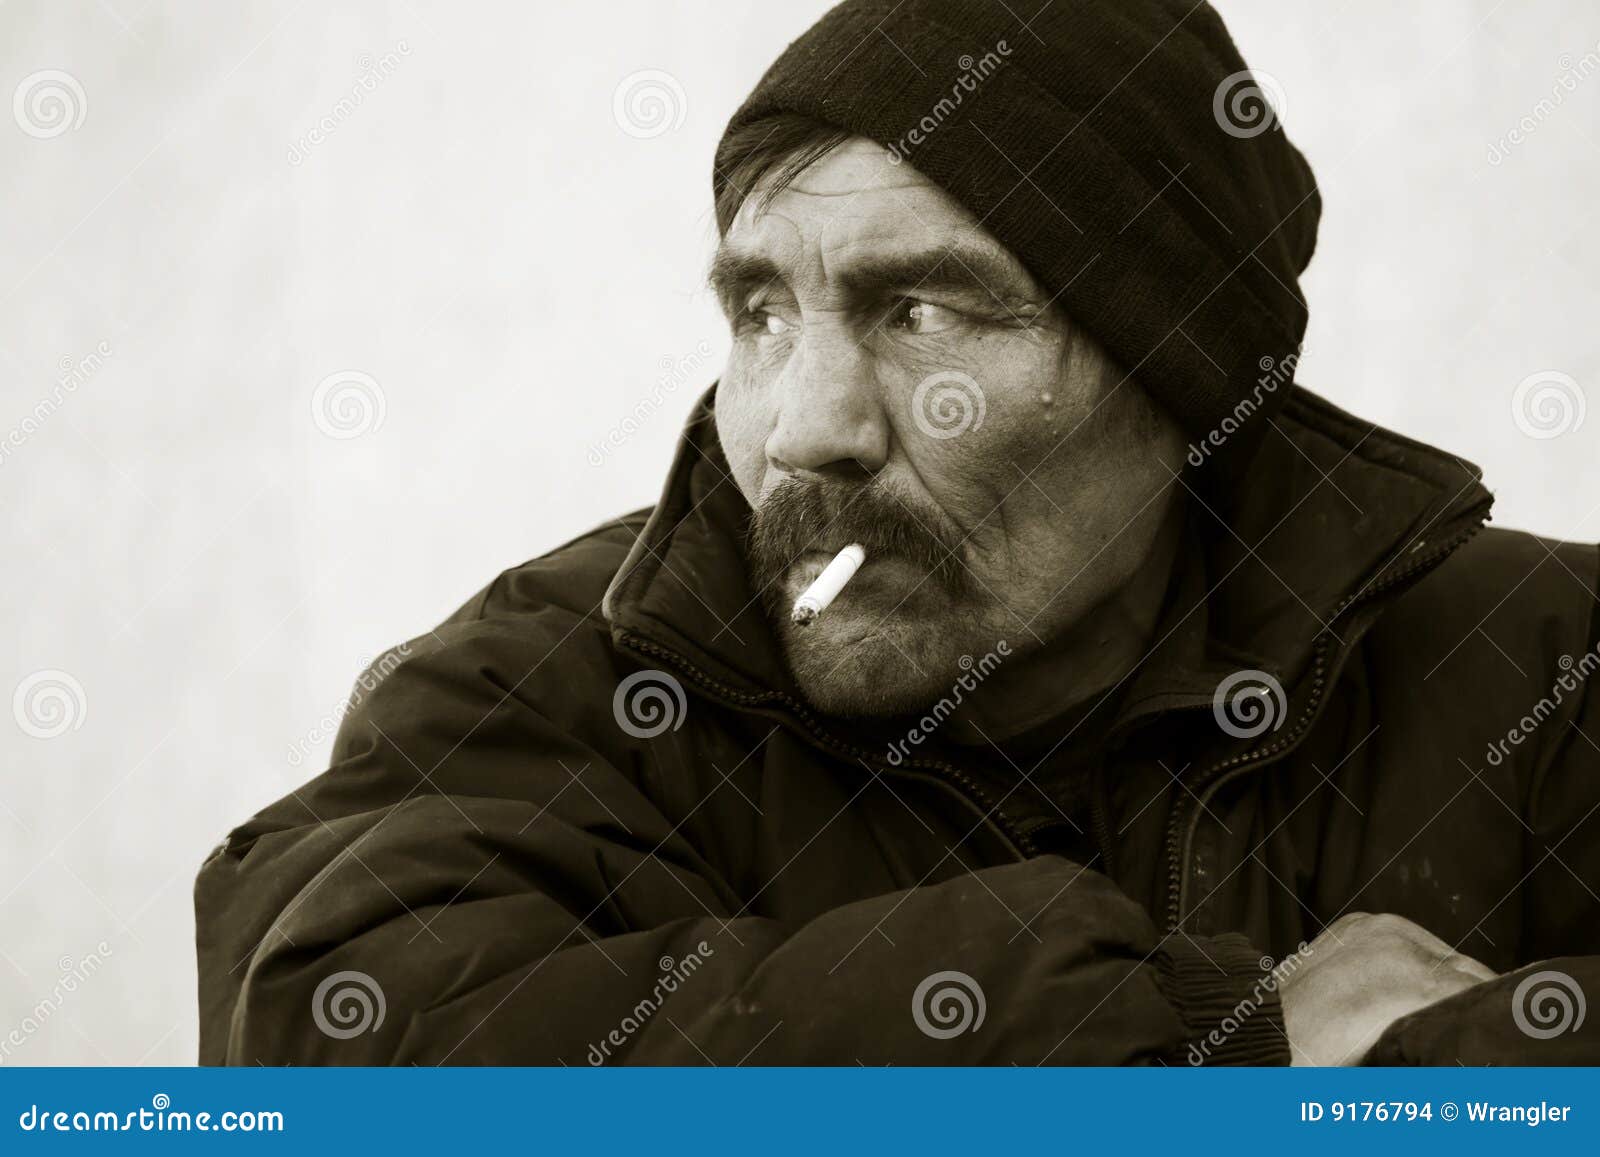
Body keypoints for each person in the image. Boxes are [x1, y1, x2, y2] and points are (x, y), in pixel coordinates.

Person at [196, 0, 1600, 1065]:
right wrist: (1190, 1034)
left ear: (1179, 379)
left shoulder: (1540, 667)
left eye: (923, 311)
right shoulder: (562, 684)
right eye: (759, 313)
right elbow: (338, 1045)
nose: (804, 426)